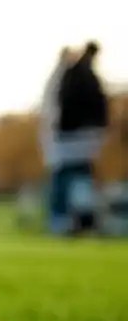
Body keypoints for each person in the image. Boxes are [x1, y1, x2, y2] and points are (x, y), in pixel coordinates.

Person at [53, 41, 109, 235]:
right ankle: (76, 220)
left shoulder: (74, 74)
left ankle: (70, 220)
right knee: (77, 175)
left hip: (72, 134)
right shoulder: (84, 75)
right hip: (79, 134)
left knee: (72, 175)